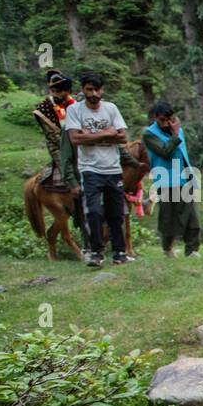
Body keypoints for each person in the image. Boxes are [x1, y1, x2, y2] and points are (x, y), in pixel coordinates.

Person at [64, 72, 130, 268]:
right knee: (93, 211)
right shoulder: (75, 110)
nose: (94, 93)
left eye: (97, 89)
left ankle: (119, 252)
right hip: (90, 168)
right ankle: (96, 252)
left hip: (112, 168)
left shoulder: (111, 108)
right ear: (83, 90)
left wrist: (91, 135)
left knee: (116, 213)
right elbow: (75, 139)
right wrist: (107, 133)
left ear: (102, 90)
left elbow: (123, 137)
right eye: (89, 89)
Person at [144, 101, 200, 257]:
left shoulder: (177, 129)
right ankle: (167, 248)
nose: (166, 123)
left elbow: (182, 153)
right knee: (168, 216)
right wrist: (175, 135)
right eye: (162, 120)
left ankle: (192, 250)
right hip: (166, 178)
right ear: (155, 118)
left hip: (184, 176)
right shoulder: (149, 134)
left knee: (191, 216)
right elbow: (165, 152)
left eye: (169, 119)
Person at [32, 69, 76, 189]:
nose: (58, 93)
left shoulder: (74, 103)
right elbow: (53, 135)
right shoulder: (43, 109)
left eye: (61, 90)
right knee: (70, 173)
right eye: (54, 90)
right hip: (59, 146)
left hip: (79, 140)